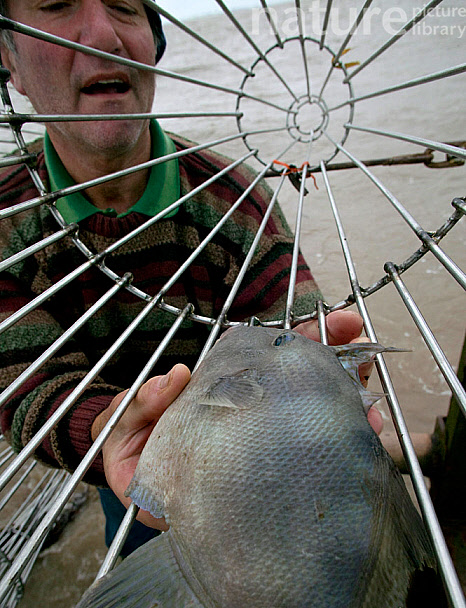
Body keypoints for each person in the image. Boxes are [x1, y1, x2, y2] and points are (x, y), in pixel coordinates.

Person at [0, 1, 379, 555]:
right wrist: (110, 428)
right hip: (117, 460)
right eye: (57, 3)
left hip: (245, 453)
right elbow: (22, 382)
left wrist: (315, 373)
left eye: (126, 7)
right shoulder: (7, 224)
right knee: (133, 546)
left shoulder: (235, 199)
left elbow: (295, 323)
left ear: (155, 43)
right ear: (7, 57)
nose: (103, 36)